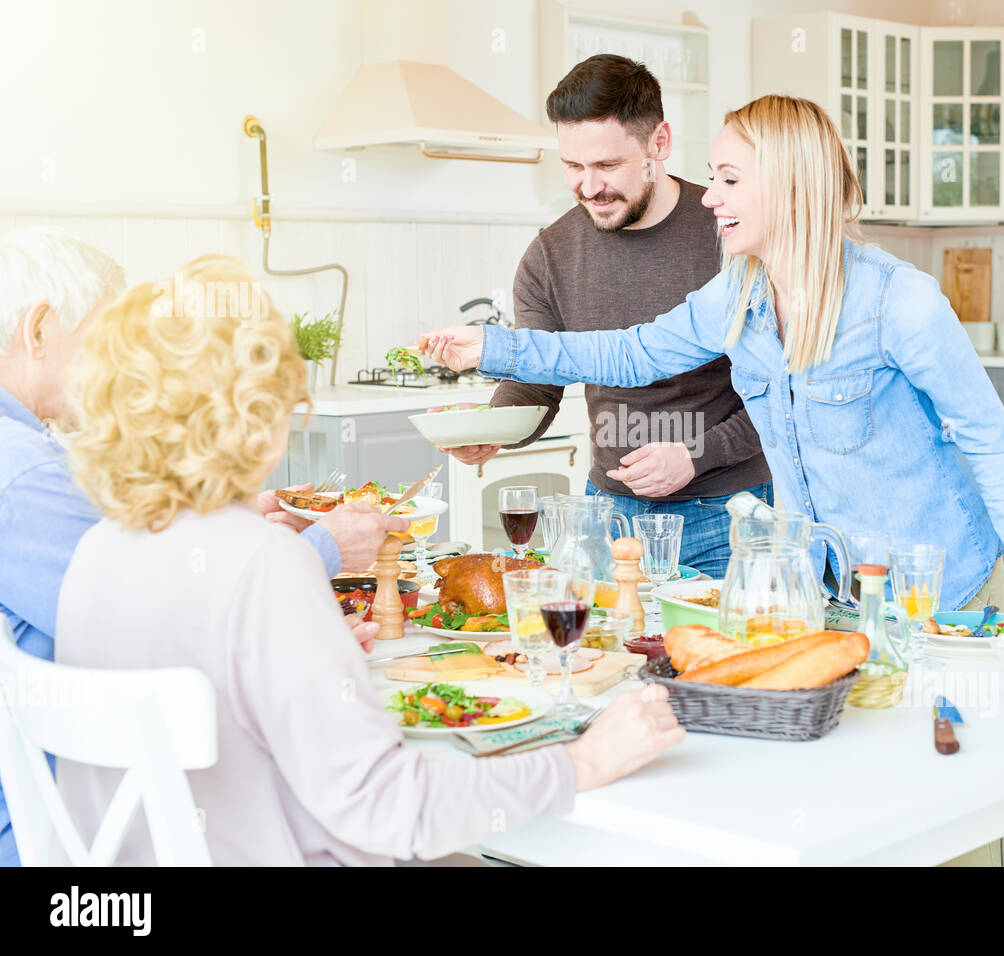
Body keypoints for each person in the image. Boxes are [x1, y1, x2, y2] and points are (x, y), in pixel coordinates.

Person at [52, 255, 682, 865]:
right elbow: (388, 806)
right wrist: (581, 764)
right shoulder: (264, 561)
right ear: (264, 413)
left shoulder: (97, 551)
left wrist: (312, 658)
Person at [421, 95, 1004, 631]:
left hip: (938, 596)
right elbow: (631, 351)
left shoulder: (898, 302)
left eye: (731, 180)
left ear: (791, 186)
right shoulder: (738, 296)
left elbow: (993, 445)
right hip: (829, 597)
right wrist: (497, 345)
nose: (711, 198)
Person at [0, 228, 407, 866]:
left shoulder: (28, 450)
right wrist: (311, 564)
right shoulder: (19, 472)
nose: (119, 372)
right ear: (41, 329)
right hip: (92, 828)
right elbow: (148, 629)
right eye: (106, 342)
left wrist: (233, 530)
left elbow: (154, 591)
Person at [432, 55, 771, 578]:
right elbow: (539, 382)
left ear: (658, 143)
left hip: (727, 516)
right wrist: (494, 429)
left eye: (608, 166)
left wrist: (697, 455)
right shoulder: (551, 253)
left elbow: (779, 390)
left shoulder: (730, 232)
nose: (589, 187)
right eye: (573, 166)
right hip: (607, 517)